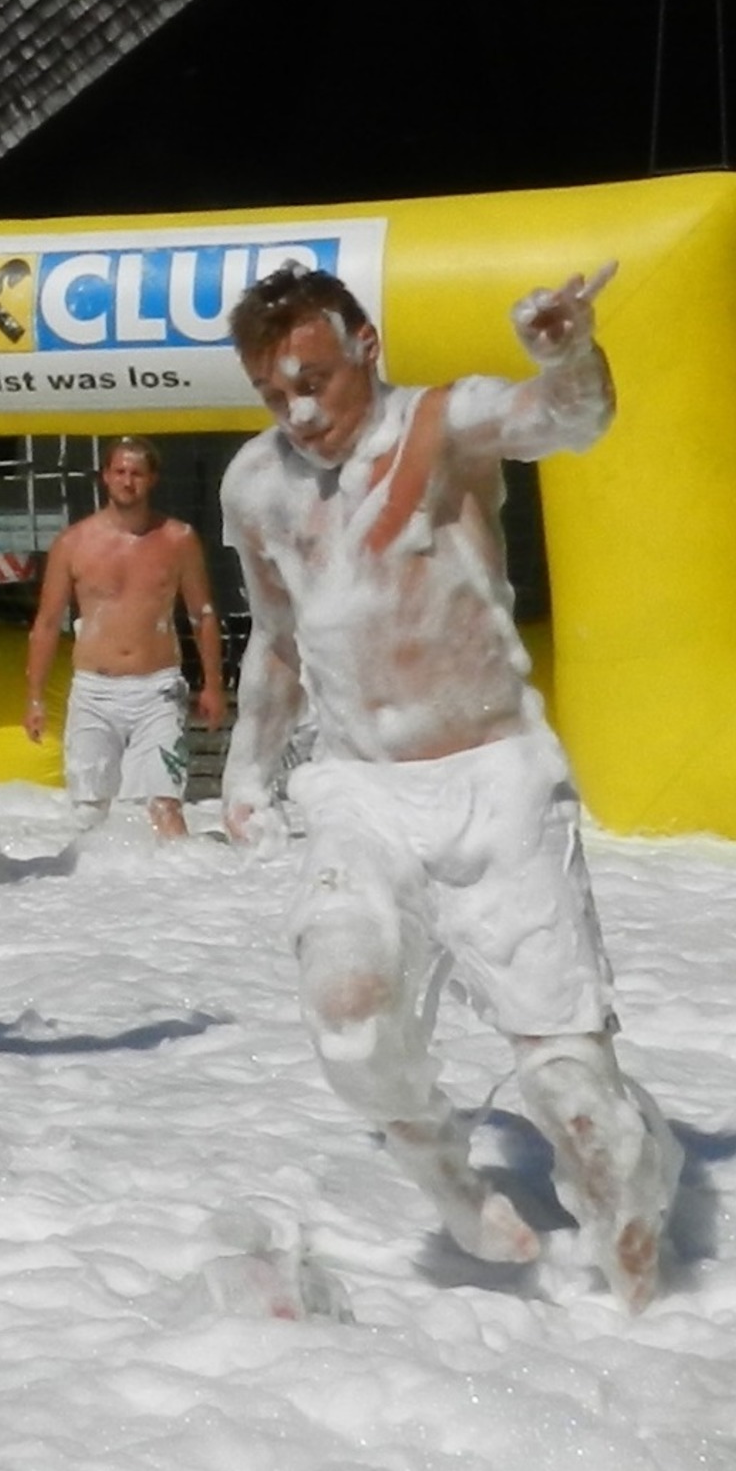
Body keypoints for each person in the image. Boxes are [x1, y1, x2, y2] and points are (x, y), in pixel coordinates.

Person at [218, 260, 680, 1310]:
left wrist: (565, 349)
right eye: (271, 393)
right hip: (360, 792)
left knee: (576, 1106)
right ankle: (442, 1174)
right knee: (343, 1006)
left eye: (313, 379)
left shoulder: (448, 421)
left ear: (365, 347)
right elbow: (278, 640)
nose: (297, 412)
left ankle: (641, 1251)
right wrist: (249, 763)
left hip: (495, 785)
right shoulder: (255, 484)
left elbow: (571, 417)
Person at [23, 436, 225, 839]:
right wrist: (35, 697)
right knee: (89, 808)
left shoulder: (177, 539)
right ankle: (98, 896)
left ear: (152, 479)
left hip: (158, 689)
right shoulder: (74, 542)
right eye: (120, 472)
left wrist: (213, 684)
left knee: (164, 805)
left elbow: (202, 615)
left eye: (137, 473)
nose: (127, 481)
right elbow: (46, 623)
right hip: (95, 691)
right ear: (105, 477)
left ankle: (185, 890)